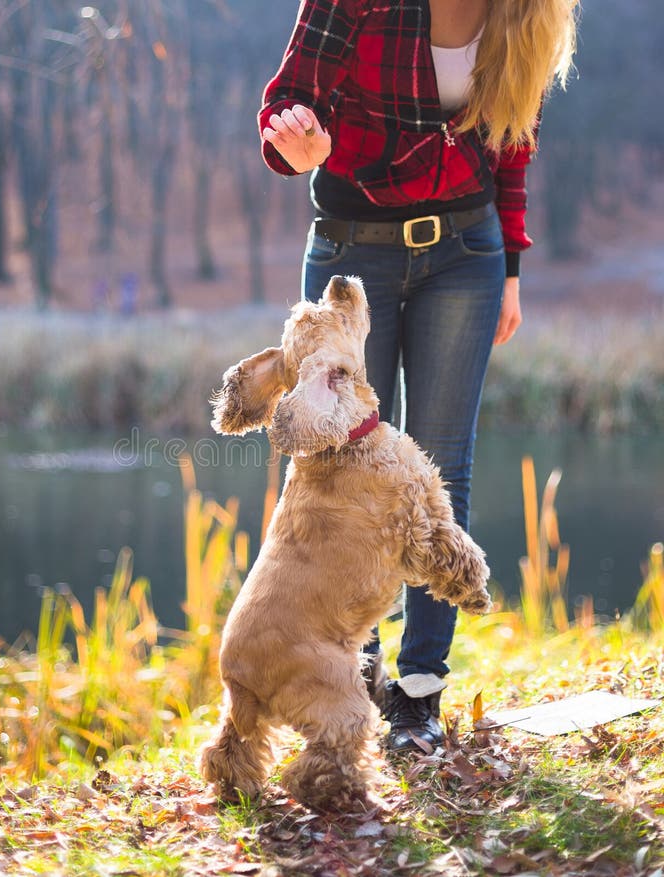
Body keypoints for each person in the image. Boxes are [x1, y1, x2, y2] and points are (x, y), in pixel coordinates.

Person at [258, 0, 578, 752]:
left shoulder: (525, 13)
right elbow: (285, 105)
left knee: (440, 467)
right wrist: (296, 146)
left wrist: (512, 269)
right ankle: (347, 670)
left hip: (466, 254)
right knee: (338, 467)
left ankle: (419, 694)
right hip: (351, 253)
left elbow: (514, 140)